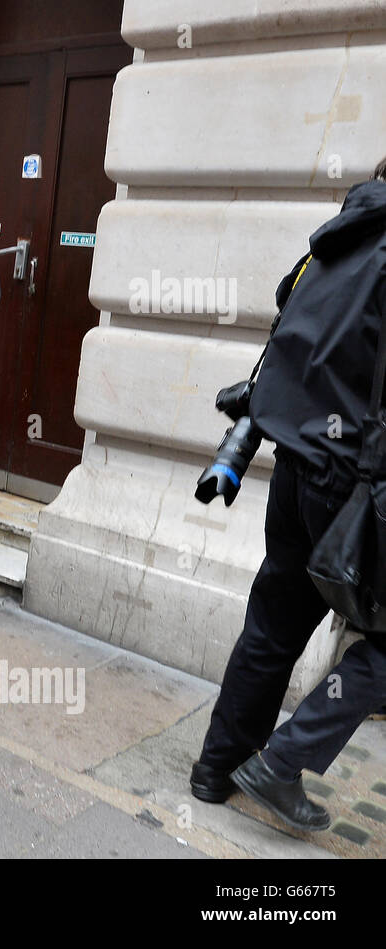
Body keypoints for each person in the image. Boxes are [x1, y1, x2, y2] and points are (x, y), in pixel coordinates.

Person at [191, 156, 386, 832]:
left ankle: (216, 768)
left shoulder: (333, 240)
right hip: (358, 486)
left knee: (273, 624)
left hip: (298, 464)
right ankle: (282, 760)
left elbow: (285, 330)